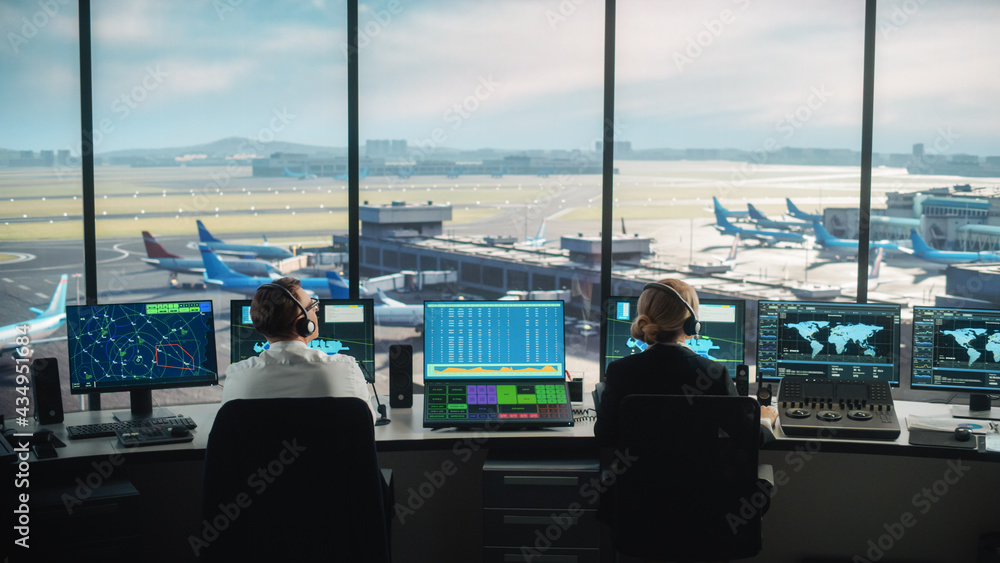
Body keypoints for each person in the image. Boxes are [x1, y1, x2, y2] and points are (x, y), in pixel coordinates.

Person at [594, 278, 778, 446]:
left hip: (636, 481)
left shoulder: (619, 371)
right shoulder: (714, 373)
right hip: (698, 482)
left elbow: (604, 434)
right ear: (692, 323)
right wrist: (764, 421)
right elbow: (751, 438)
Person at [222, 277, 374, 421]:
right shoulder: (347, 369)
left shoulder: (237, 376)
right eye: (312, 306)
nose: (316, 310)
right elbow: (366, 424)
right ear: (303, 323)